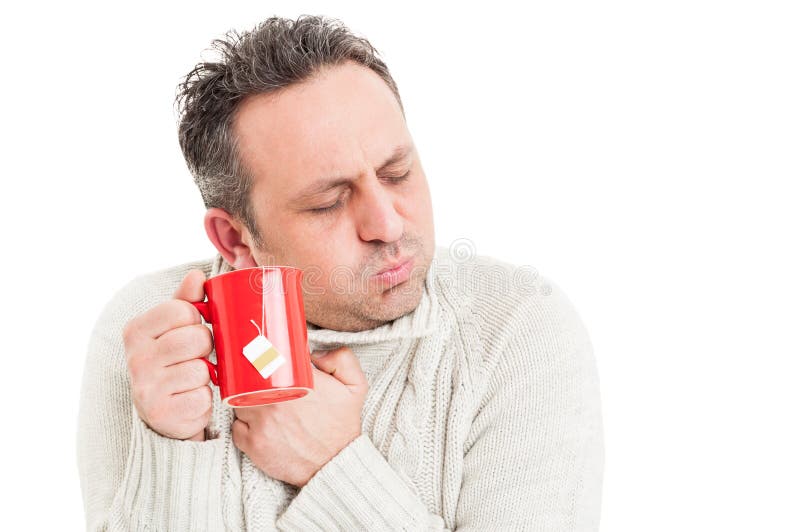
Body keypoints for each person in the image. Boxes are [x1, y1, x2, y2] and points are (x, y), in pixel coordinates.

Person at [76, 14, 604, 531]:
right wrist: (174, 451)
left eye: (396, 172)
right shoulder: (155, 337)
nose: (387, 224)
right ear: (235, 239)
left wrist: (333, 468)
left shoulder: (517, 329)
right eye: (328, 202)